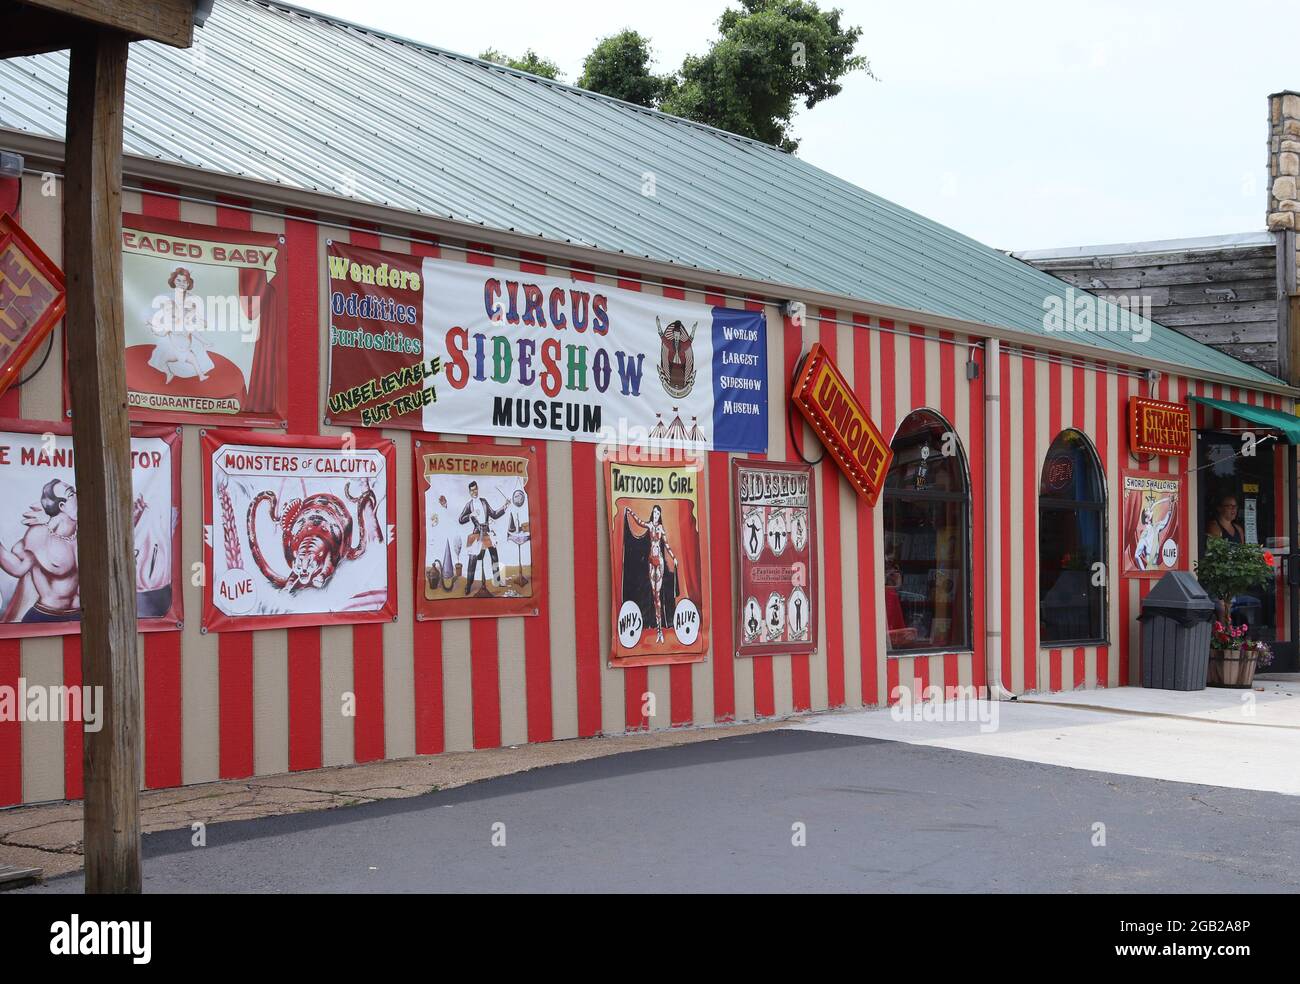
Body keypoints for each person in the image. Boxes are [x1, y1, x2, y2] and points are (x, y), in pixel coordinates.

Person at [0, 479, 80, 622]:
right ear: (62, 506)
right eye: (71, 493)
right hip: (46, 616)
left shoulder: (85, 534)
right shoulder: (40, 535)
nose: (78, 496)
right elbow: (18, 568)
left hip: (81, 616)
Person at [147, 266, 215, 383]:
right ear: (173, 280)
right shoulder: (167, 297)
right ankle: (169, 373)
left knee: (193, 349)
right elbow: (160, 317)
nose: (181, 283)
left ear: (189, 283)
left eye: (185, 281)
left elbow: (201, 320)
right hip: (172, 334)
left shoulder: (193, 299)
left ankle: (199, 373)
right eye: (178, 280)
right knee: (164, 353)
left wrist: (197, 321)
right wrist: (155, 324)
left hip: (186, 334)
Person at [625, 504, 677, 644]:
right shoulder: (649, 525)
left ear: (659, 515)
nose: (655, 515)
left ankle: (660, 631)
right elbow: (639, 522)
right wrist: (630, 511)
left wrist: (673, 557)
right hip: (650, 561)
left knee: (658, 596)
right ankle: (656, 629)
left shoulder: (660, 529)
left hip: (659, 562)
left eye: (657, 513)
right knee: (654, 595)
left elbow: (666, 545)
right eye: (654, 512)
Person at [458, 481, 505, 596]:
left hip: (486, 531)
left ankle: (497, 580)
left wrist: (505, 507)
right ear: (469, 492)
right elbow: (460, 519)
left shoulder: (483, 501)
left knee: (494, 555)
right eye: (472, 490)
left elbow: (494, 514)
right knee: (472, 559)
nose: (474, 492)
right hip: (476, 532)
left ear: (478, 489)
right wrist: (470, 515)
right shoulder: (469, 505)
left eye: (475, 489)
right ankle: (468, 585)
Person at [1134, 493, 1176, 571]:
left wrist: (1170, 504)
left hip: (1156, 567)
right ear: (1146, 519)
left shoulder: (1156, 527)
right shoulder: (1145, 534)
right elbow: (1137, 555)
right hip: (1149, 567)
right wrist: (1143, 571)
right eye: (1147, 510)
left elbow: (1165, 521)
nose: (1149, 510)